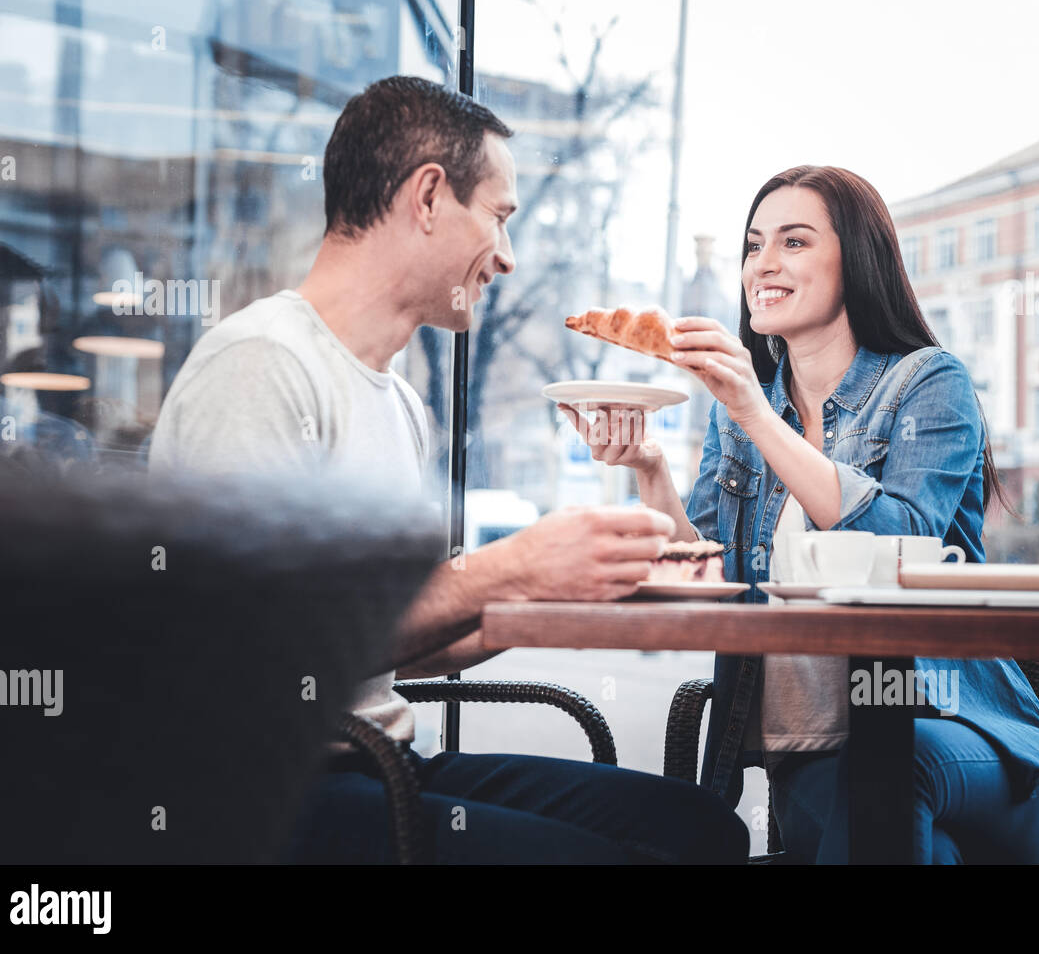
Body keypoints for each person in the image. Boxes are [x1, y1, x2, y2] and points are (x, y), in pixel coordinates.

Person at [148, 76, 748, 864]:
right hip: (271, 794)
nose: (507, 256)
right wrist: (510, 565)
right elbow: (258, 648)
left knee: (700, 830)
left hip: (383, 763)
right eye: (499, 217)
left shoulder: (397, 403)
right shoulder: (263, 364)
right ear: (428, 197)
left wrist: (558, 582)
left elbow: (407, 643)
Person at [561, 165, 1039, 864]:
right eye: (752, 245)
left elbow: (899, 545)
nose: (763, 265)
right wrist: (650, 470)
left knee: (890, 770)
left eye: (793, 243)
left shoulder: (928, 382)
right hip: (812, 754)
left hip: (970, 745)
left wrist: (751, 410)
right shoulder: (740, 409)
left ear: (855, 260)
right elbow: (715, 583)